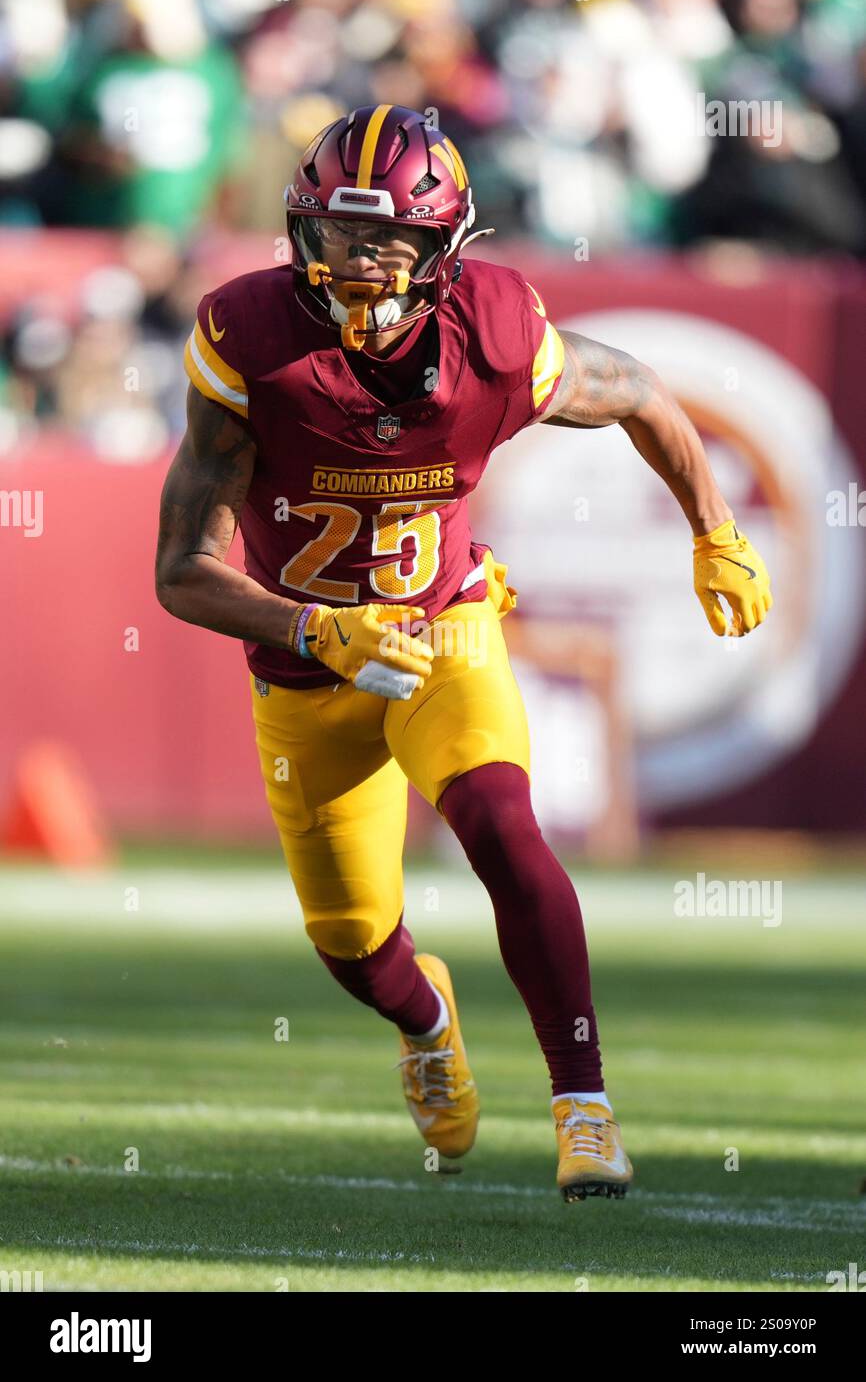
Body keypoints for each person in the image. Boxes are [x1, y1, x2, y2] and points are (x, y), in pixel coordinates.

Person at [155, 104, 772, 1202]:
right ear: (303, 231)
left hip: (443, 625)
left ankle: (582, 1106)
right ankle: (427, 1020)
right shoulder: (251, 340)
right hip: (307, 670)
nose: (359, 263)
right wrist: (310, 625)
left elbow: (634, 390)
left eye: (389, 238)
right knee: (351, 943)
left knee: (496, 816)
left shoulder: (493, 337)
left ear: (444, 250)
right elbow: (181, 570)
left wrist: (714, 530)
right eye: (341, 235)